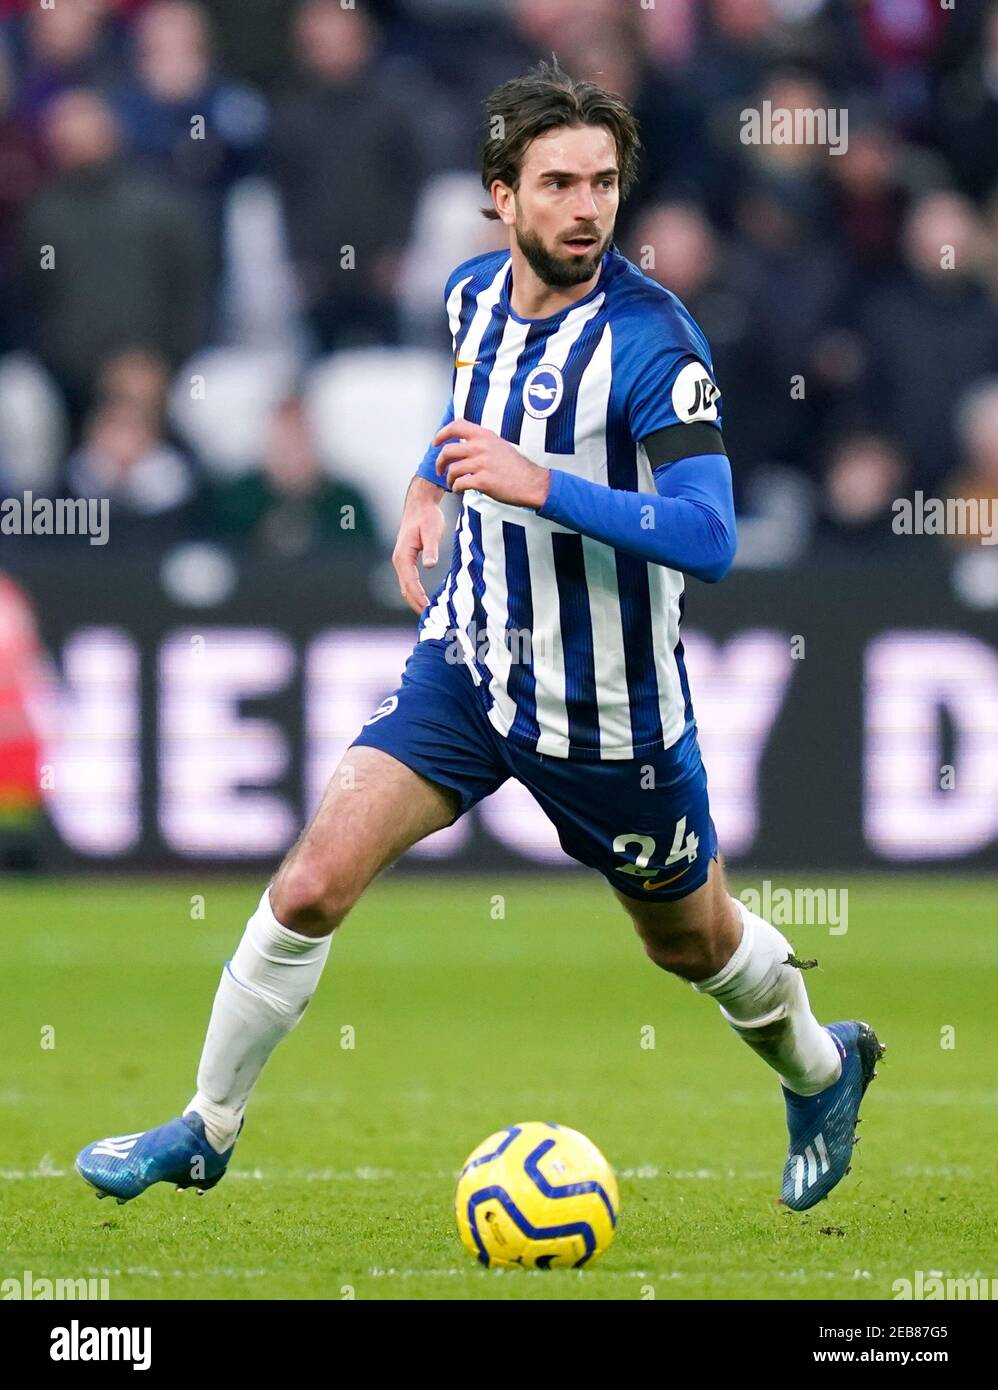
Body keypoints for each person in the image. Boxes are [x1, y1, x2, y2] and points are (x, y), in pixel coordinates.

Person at [77, 59, 883, 1221]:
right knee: (309, 884)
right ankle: (204, 1128)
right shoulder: (467, 296)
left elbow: (709, 536)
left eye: (602, 183)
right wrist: (425, 484)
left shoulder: (655, 343)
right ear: (497, 195)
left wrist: (538, 484)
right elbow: (477, 418)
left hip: (608, 714)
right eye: (556, 183)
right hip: (469, 661)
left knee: (692, 940)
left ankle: (820, 1068)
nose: (585, 207)